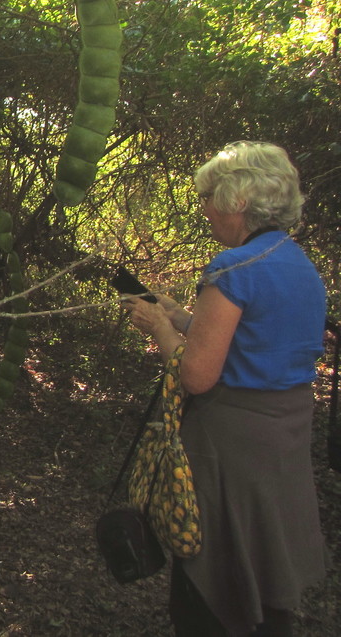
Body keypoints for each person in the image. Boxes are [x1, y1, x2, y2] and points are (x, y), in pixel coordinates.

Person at [123, 141, 329, 637]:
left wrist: (157, 327)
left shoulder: (232, 267)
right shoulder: (299, 263)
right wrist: (181, 316)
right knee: (262, 560)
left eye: (209, 196)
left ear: (238, 200)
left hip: (230, 448)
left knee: (211, 587)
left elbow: (196, 375)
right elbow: (254, 343)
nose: (204, 209)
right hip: (282, 442)